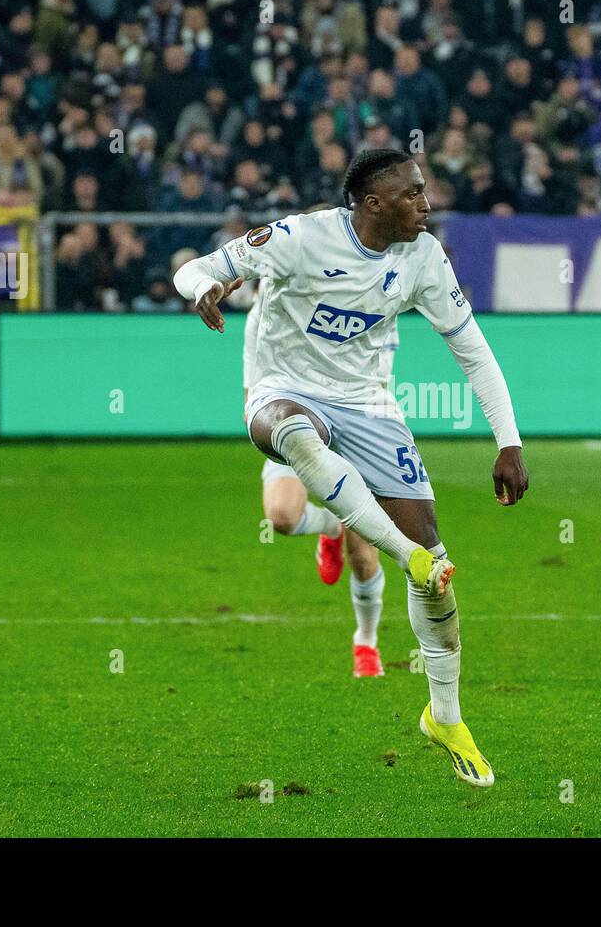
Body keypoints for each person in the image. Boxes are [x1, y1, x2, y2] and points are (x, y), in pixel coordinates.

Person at [174, 148, 529, 787]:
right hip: (282, 386)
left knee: (437, 573)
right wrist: (203, 287)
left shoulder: (422, 257)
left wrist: (508, 443)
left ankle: (444, 715)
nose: (427, 203)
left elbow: (473, 352)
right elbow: (196, 267)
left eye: (426, 191)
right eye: (413, 193)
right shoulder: (298, 238)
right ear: (372, 203)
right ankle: (395, 551)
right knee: (291, 433)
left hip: (369, 404)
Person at [239, 229, 399, 678]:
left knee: (364, 554)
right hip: (293, 423)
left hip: (353, 424)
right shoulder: (264, 316)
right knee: (282, 518)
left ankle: (365, 643)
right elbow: (254, 394)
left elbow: (376, 386)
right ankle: (329, 524)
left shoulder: (368, 303)